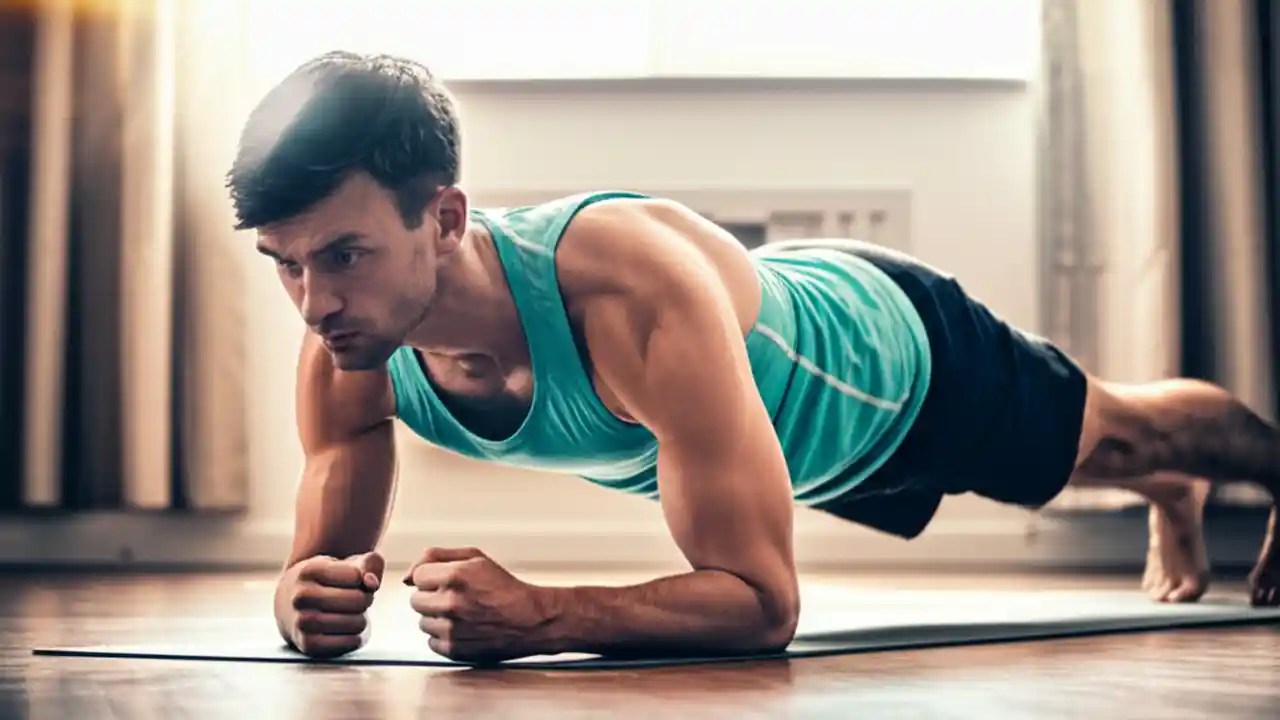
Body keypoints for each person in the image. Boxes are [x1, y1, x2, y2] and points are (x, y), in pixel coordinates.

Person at [226, 51, 1280, 663]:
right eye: (286, 263)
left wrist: (545, 612)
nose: (314, 303)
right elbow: (309, 574)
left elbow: (762, 604)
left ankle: (1222, 469)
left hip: (890, 361)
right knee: (1083, 460)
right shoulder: (348, 342)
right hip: (799, 428)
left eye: (345, 255)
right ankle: (1167, 490)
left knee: (1111, 431)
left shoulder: (624, 290)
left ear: (444, 217)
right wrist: (293, 602)